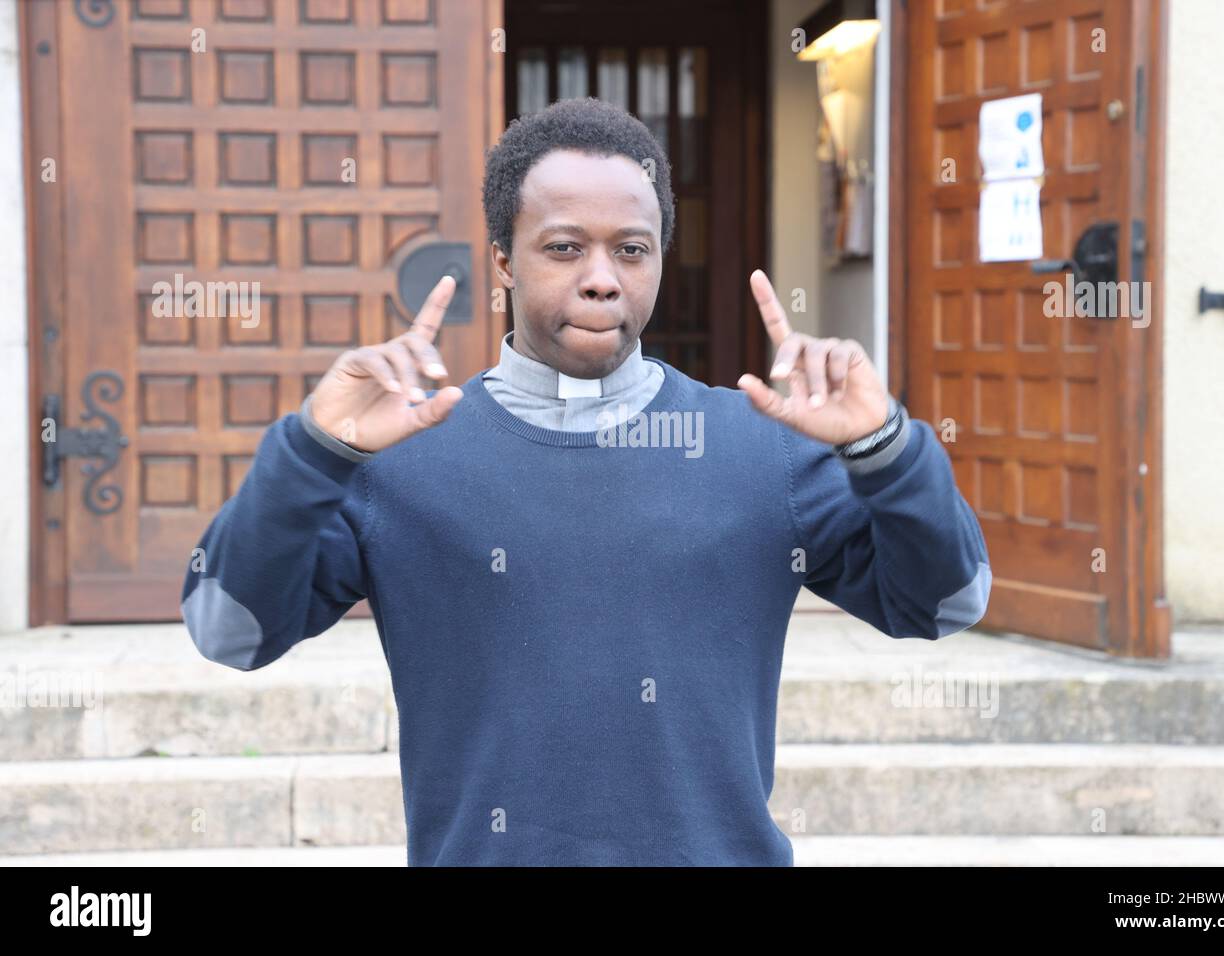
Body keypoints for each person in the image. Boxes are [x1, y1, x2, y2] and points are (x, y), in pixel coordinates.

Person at [180, 97, 991, 866]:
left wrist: (886, 449)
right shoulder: (402, 459)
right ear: (503, 259)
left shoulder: (760, 446)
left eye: (631, 250)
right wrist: (311, 452)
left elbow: (948, 603)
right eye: (565, 247)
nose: (603, 278)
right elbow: (227, 631)